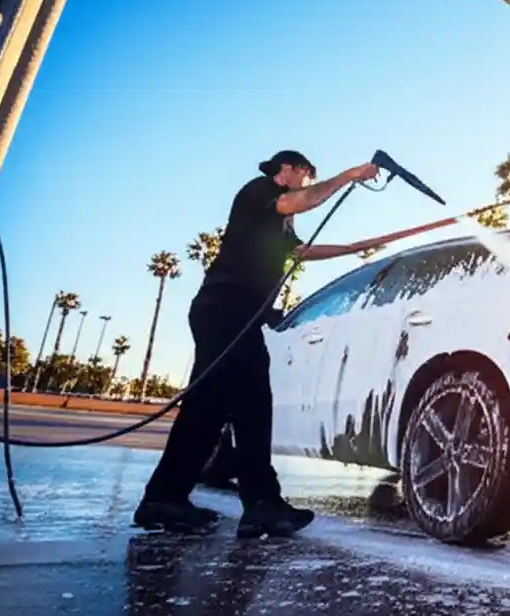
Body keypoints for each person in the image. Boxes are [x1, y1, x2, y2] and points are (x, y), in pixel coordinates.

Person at [133, 149, 379, 538]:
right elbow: (304, 200)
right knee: (251, 404)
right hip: (227, 310)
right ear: (286, 170)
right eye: (305, 174)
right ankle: (261, 504)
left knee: (207, 411)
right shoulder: (258, 193)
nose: (308, 183)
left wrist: (357, 248)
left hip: (233, 315)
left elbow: (302, 251)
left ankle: (165, 498)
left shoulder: (277, 225)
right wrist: (351, 174)